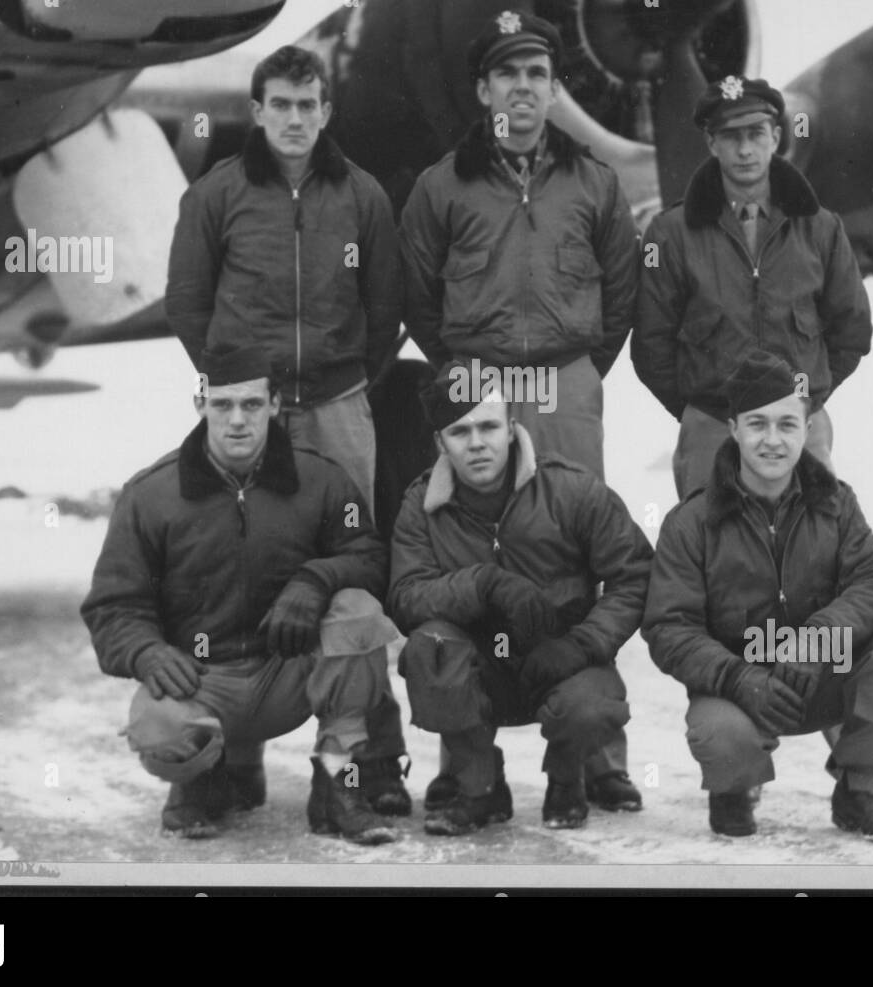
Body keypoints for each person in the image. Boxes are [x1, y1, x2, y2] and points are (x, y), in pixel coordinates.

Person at [399, 8, 643, 802]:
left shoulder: (594, 182)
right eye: (509, 73)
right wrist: (467, 374)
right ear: (483, 89)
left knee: (580, 545)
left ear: (553, 86)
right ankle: (465, 756)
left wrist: (576, 369)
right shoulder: (441, 184)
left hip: (568, 379)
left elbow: (620, 289)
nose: (525, 87)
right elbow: (417, 293)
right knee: (466, 547)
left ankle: (598, 751)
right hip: (478, 377)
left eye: (538, 73)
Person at [81, 343, 411, 844]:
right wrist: (146, 651)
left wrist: (316, 579)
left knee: (357, 611)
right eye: (223, 404)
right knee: (158, 725)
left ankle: (336, 784)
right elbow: (113, 605)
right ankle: (202, 781)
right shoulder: (149, 495)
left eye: (252, 405)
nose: (238, 420)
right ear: (200, 405)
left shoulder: (322, 479)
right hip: (204, 678)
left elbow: (369, 556)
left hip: (289, 671)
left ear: (275, 405)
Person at [641, 351, 873, 842]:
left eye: (786, 424)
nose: (772, 440)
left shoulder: (836, 503)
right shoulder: (690, 523)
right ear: (733, 428)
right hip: (740, 690)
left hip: (820, 675)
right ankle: (735, 790)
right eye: (757, 424)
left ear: (806, 427)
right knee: (723, 743)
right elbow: (669, 627)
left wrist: (817, 638)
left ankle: (860, 792)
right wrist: (740, 678)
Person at [388, 361, 654, 835]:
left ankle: (566, 779)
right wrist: (483, 583)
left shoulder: (571, 490)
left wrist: (584, 643)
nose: (476, 443)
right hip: (479, 667)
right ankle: (480, 788)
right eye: (459, 431)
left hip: (562, 658)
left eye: (489, 426)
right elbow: (406, 596)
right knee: (428, 649)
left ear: (512, 428)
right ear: (440, 443)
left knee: (593, 704)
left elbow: (636, 574)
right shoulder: (420, 505)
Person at [165, 45, 402, 514]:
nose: (295, 120)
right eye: (281, 105)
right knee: (248, 542)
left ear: (326, 112)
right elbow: (186, 302)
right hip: (247, 408)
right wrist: (235, 381)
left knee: (349, 540)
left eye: (307, 105)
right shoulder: (213, 196)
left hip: (338, 408)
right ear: (257, 111)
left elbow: (386, 303)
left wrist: (346, 376)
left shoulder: (364, 196)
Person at [631, 75, 873, 500]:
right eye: (730, 136)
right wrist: (698, 411)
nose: (744, 150)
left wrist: (804, 398)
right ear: (710, 143)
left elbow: (852, 329)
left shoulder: (821, 228)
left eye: (755, 134)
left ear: (776, 136)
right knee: (707, 555)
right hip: (710, 427)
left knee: (813, 553)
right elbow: (651, 345)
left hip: (801, 427)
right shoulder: (668, 234)